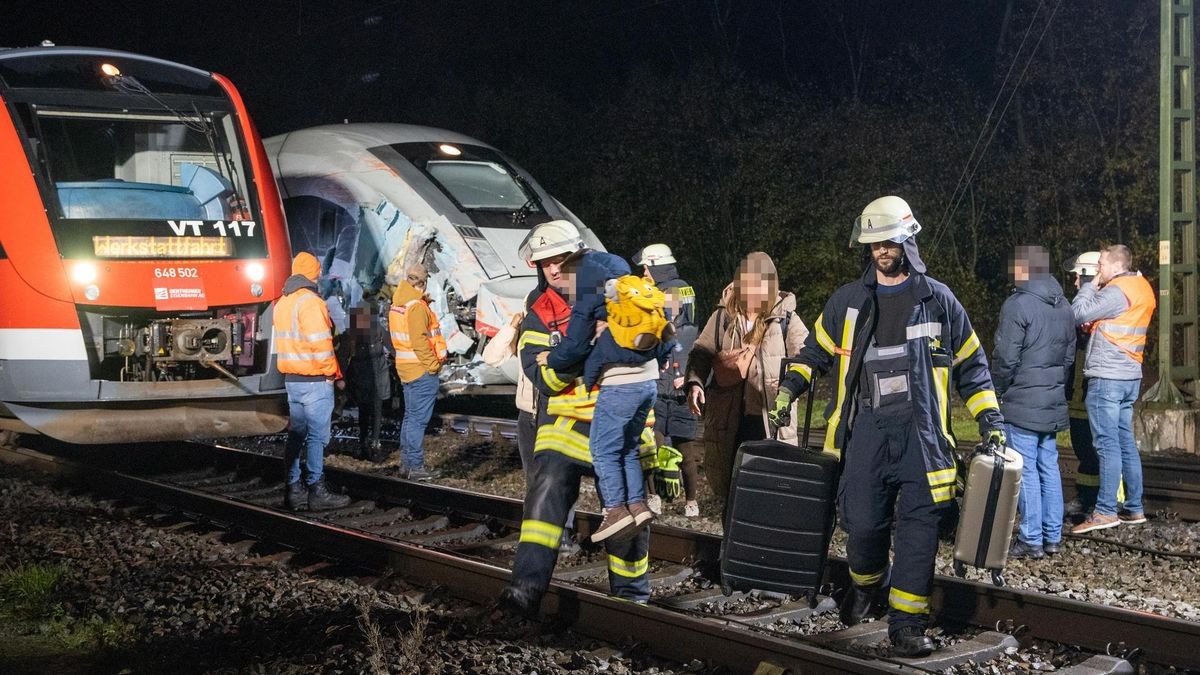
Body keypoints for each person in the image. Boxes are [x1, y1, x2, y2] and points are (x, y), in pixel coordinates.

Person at [769, 196, 1004, 657]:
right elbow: (813, 354)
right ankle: (867, 587)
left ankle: (906, 627)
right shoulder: (848, 302)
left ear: (907, 241)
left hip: (924, 440)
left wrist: (990, 420)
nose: (881, 251)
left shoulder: (938, 301)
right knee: (863, 527)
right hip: (866, 437)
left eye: (889, 241)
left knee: (920, 530)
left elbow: (973, 368)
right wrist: (786, 392)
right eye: (874, 243)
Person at [500, 220, 651, 615]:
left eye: (561, 259)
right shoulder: (538, 311)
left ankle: (632, 601)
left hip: (618, 426)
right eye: (545, 262)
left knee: (629, 516)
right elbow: (544, 378)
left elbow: (650, 347)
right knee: (544, 499)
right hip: (563, 428)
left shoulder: (623, 294)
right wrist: (590, 346)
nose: (553, 268)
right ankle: (524, 592)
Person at [536, 251, 675, 542]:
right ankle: (637, 504)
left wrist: (552, 358)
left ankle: (614, 510)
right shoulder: (632, 291)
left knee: (603, 450)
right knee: (627, 448)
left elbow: (573, 347)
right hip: (648, 384)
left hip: (619, 385)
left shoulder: (589, 298)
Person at [683, 252, 808, 503]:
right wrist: (695, 383)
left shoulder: (785, 318)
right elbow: (701, 352)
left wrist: (790, 387)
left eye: (760, 283)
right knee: (732, 491)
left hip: (769, 419)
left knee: (768, 493)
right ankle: (731, 540)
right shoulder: (723, 317)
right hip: (728, 420)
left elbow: (806, 357)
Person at [990, 246, 1075, 559]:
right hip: (1051, 399)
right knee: (1049, 468)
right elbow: (1068, 358)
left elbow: (1006, 357)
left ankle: (1031, 540)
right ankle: (1053, 538)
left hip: (1022, 401)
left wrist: (997, 389)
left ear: (1023, 269)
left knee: (1025, 470)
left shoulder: (1018, 305)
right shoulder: (1065, 306)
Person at [1070, 245, 1155, 534]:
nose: (1099, 271)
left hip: (1107, 377)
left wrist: (1089, 286)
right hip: (1129, 375)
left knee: (1106, 445)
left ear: (1116, 266)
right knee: (1124, 442)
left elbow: (1077, 313)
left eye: (1102, 265)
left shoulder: (1116, 290)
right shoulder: (1141, 287)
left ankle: (1105, 511)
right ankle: (1133, 507)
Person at [273, 252, 352, 511]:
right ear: (312, 273)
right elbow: (321, 346)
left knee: (296, 435)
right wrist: (334, 375)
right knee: (318, 437)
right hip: (315, 380)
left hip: (292, 380)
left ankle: (292, 489)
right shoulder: (311, 302)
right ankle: (317, 490)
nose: (319, 275)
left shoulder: (283, 302)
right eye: (317, 271)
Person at [635, 244, 704, 518]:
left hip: (665, 384)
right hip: (676, 384)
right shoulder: (683, 288)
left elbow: (666, 332)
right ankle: (690, 502)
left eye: (646, 267)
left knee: (655, 446)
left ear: (656, 265)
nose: (644, 272)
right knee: (682, 449)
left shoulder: (666, 292)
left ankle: (656, 498)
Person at [389, 264, 447, 481]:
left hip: (406, 369)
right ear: (422, 283)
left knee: (410, 417)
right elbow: (420, 340)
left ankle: (407, 465)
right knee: (417, 421)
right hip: (421, 370)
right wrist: (432, 365)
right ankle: (415, 466)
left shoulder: (399, 303)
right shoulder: (416, 307)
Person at [1062, 252, 1103, 516]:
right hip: (1078, 393)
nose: (1076, 283)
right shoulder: (1083, 308)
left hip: (1095, 390)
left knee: (1095, 449)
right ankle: (1087, 498)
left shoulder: (1103, 306)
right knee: (1083, 446)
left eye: (1079, 277)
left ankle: (1098, 500)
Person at [481, 309, 538, 478]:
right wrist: (511, 327)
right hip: (528, 413)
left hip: (553, 413)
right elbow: (491, 356)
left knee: (554, 480)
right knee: (532, 477)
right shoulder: (524, 333)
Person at [347, 302, 391, 463]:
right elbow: (391, 346)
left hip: (362, 375)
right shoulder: (378, 329)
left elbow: (347, 354)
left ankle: (364, 443)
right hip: (377, 374)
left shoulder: (353, 334)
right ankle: (374, 443)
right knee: (376, 410)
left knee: (364, 411)